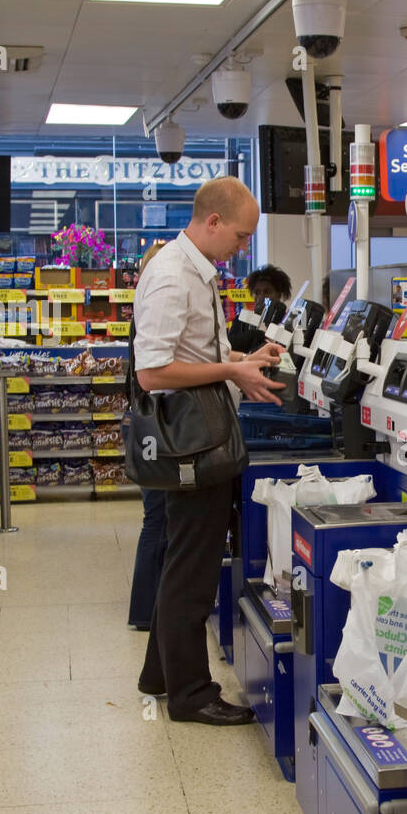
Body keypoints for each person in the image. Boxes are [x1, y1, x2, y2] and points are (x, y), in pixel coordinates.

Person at [132, 176, 286, 725]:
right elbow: (151, 373)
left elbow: (194, 351)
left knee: (183, 560)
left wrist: (242, 362)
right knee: (192, 570)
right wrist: (231, 369)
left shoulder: (194, 270)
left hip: (202, 435)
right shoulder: (175, 277)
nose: (242, 248)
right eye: (241, 237)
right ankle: (191, 695)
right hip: (191, 444)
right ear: (213, 222)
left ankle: (160, 674)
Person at [128, 243, 168, 630]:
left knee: (155, 519)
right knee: (156, 519)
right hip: (155, 426)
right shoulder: (152, 312)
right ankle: (144, 613)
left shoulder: (143, 311)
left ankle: (148, 609)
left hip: (145, 423)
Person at [228, 264, 292, 355]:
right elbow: (229, 347)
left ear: (278, 294)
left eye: (267, 292)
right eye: (257, 292)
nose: (261, 297)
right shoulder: (242, 320)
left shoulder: (287, 320)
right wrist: (256, 334)